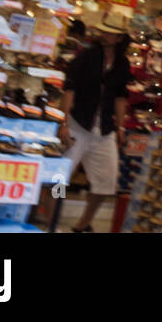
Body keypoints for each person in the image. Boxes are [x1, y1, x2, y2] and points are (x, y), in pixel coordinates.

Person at [56, 13, 131, 232]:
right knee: (59, 179)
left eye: (111, 32)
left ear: (119, 38)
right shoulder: (86, 56)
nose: (105, 35)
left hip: (104, 129)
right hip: (78, 123)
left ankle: (83, 223)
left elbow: (120, 96)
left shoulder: (122, 63)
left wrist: (121, 127)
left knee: (107, 182)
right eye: (104, 31)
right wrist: (64, 122)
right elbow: (69, 89)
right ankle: (49, 221)